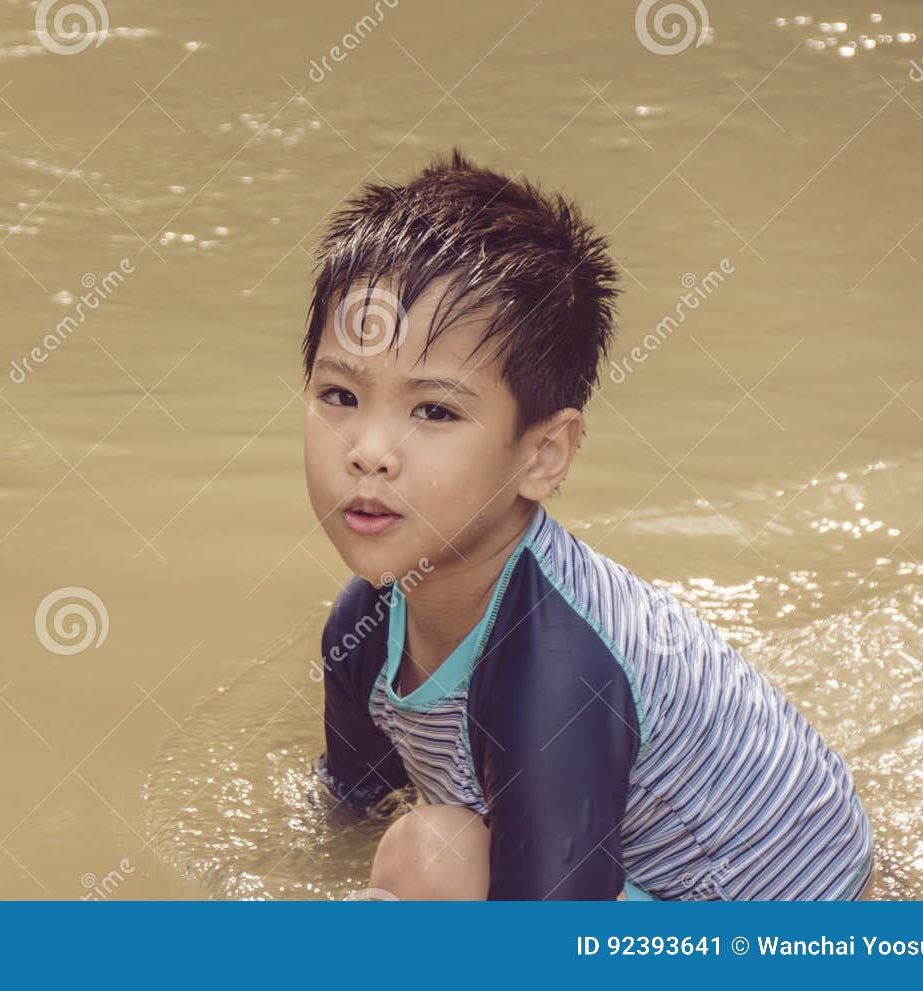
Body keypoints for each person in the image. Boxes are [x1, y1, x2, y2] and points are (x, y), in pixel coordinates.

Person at [303, 149, 874, 901]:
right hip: (599, 865)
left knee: (430, 857)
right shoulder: (366, 626)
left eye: (433, 411)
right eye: (340, 396)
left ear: (542, 455)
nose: (369, 451)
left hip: (777, 920)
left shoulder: (554, 674)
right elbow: (349, 815)